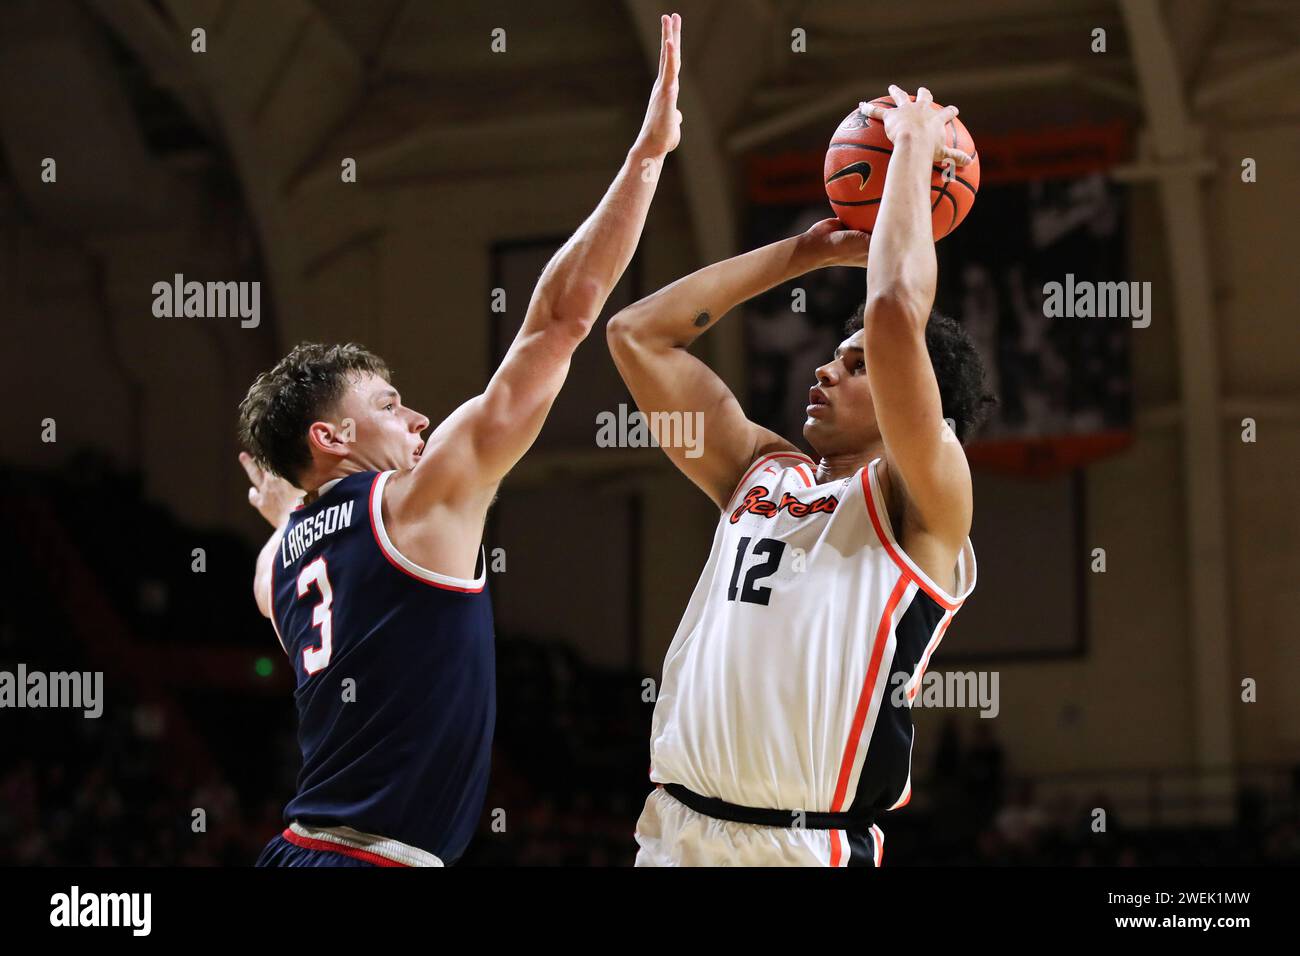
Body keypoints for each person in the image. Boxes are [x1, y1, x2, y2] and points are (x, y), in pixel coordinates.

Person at [238, 13, 685, 867]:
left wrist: (286, 505)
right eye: (390, 402)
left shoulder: (285, 560)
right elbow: (562, 318)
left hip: (298, 849)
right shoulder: (416, 499)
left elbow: (278, 557)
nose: (415, 419)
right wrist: (649, 156)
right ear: (331, 435)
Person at [607, 85, 993, 866]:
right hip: (675, 835)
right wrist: (806, 253)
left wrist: (913, 154)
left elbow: (890, 313)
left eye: (853, 366)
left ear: (911, 400)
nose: (823, 369)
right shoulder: (760, 470)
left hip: (801, 847)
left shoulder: (924, 504)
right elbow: (639, 337)